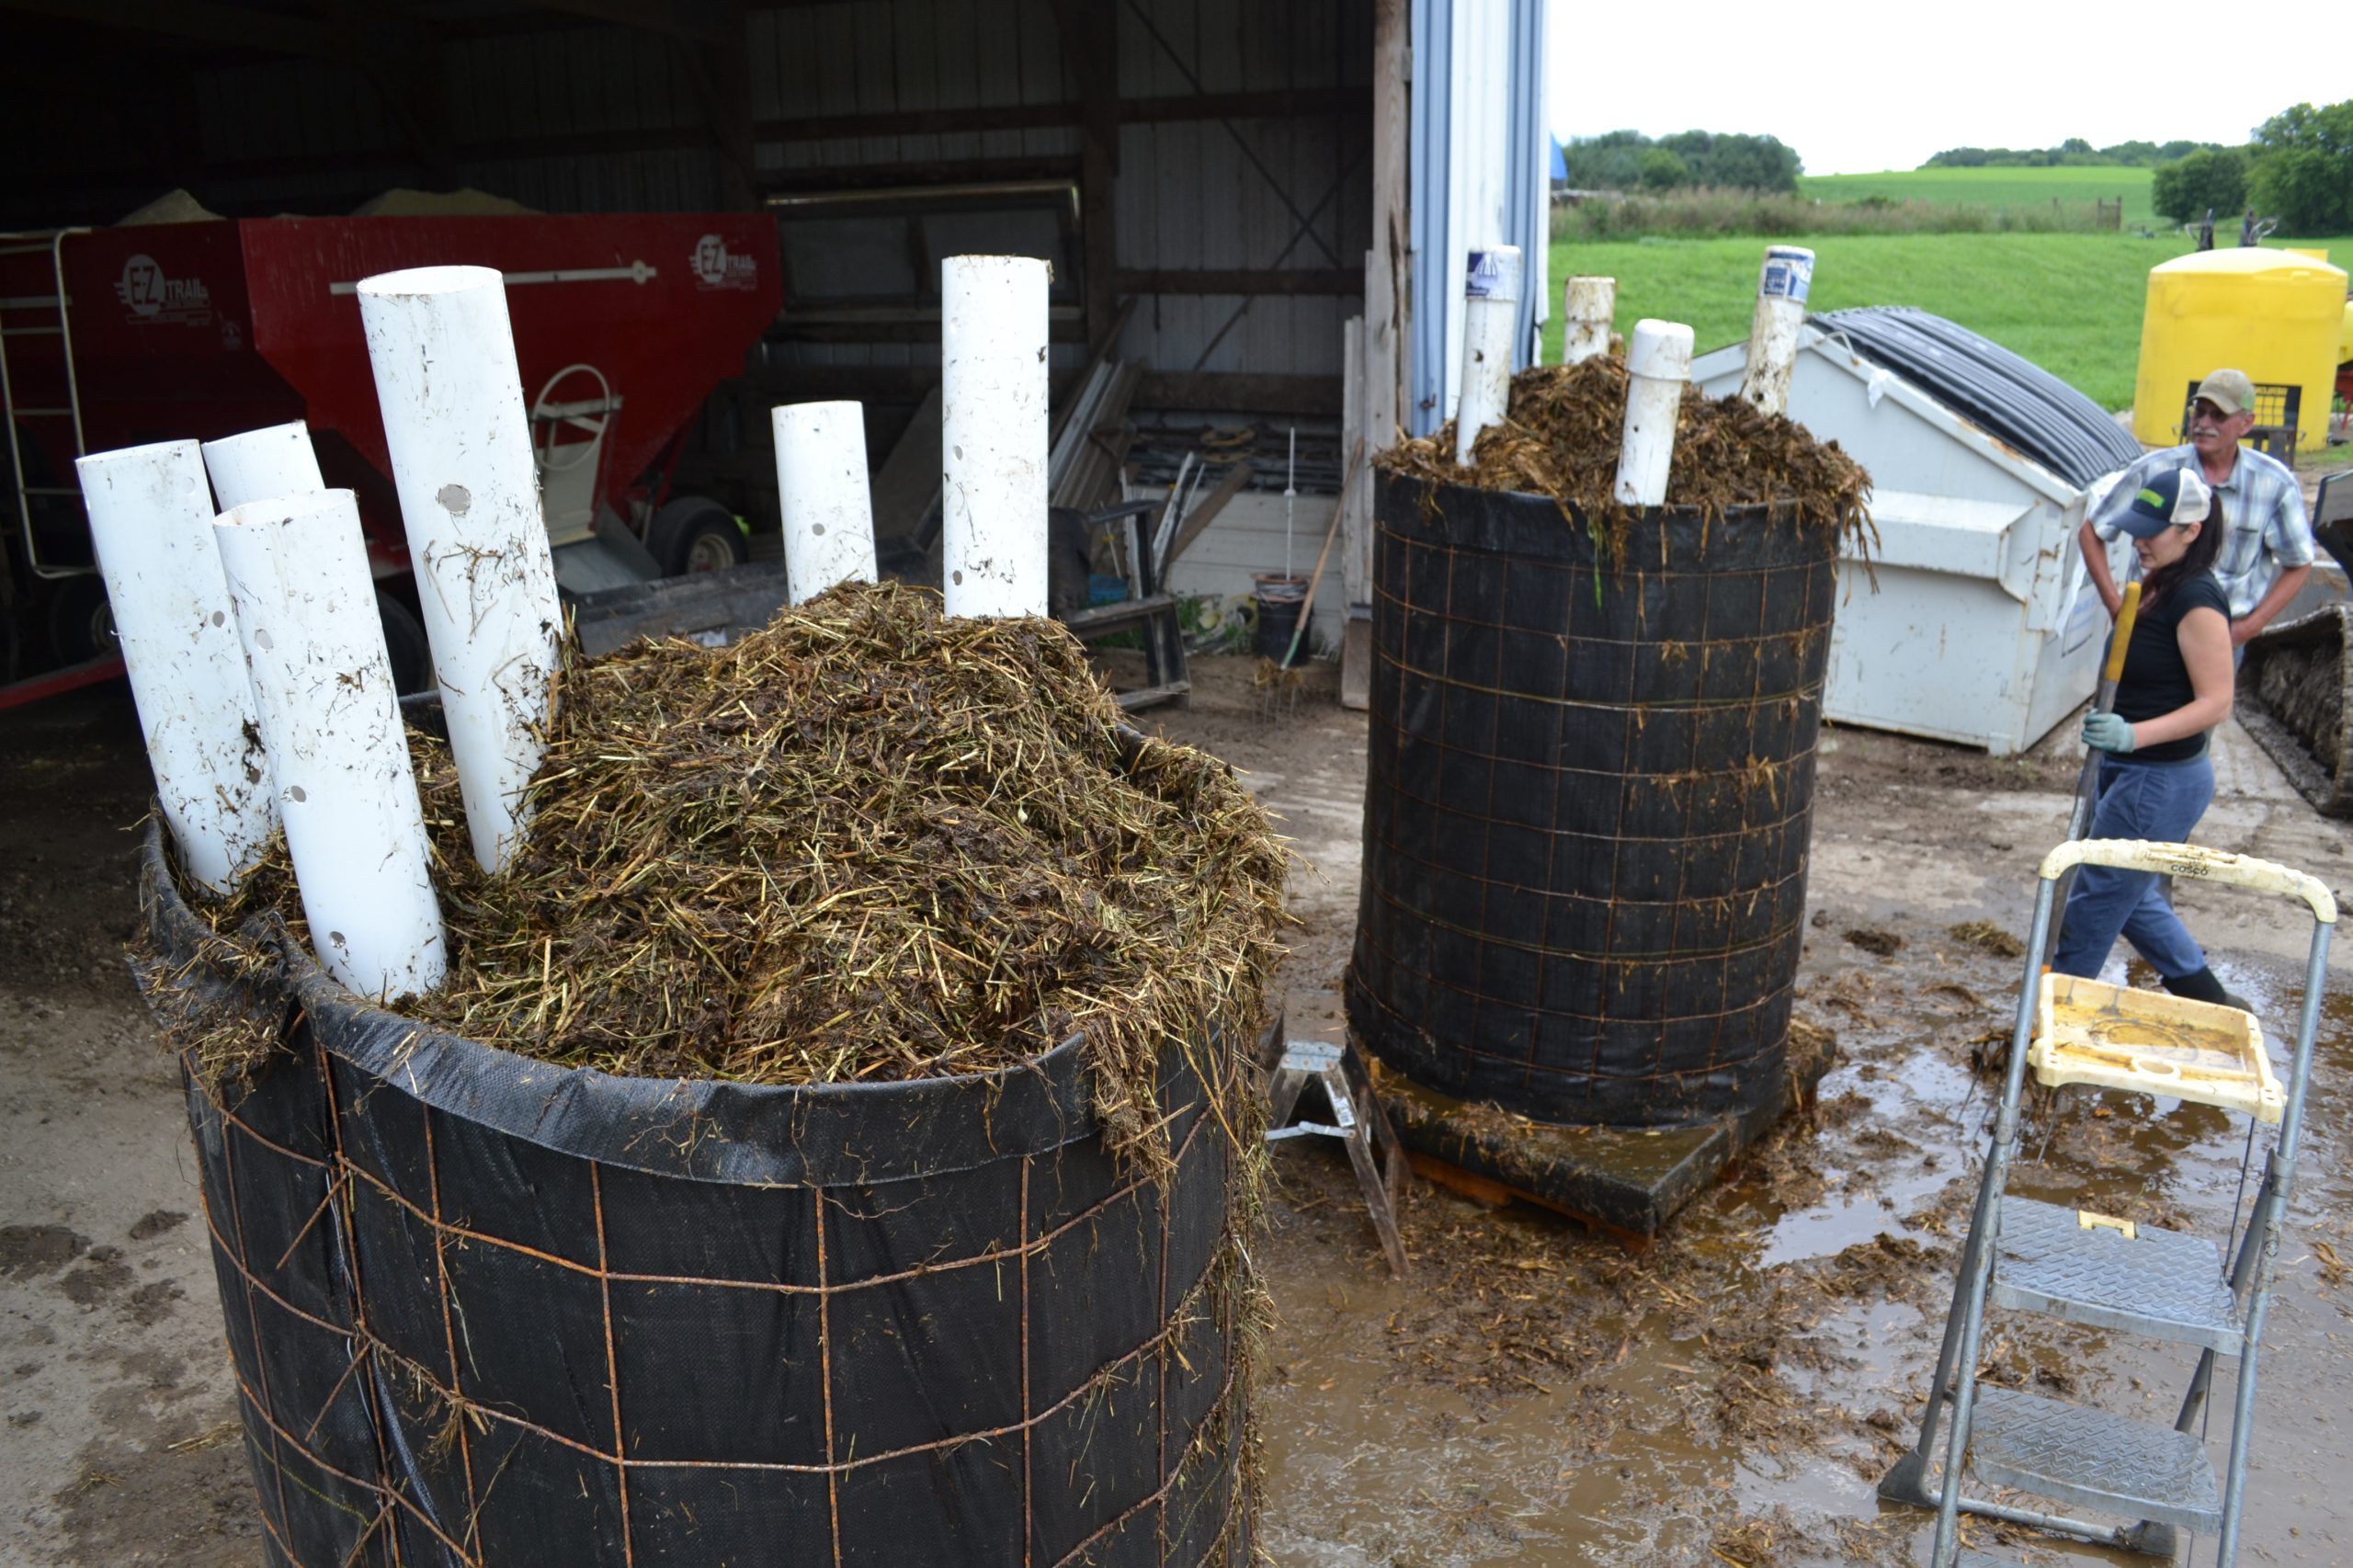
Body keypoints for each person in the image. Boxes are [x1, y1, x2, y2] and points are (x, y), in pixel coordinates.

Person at [2054, 468, 2244, 1007]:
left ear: (2191, 530)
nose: (2138, 541)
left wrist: (2131, 734)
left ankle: (2054, 1018)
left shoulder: (2197, 600)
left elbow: (2217, 702)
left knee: (2094, 902)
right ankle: (2212, 1001)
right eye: (2136, 528)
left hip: (2158, 782)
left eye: (2152, 532)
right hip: (2130, 770)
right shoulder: (2159, 584)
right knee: (2129, 894)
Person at [2077, 368, 2315, 659]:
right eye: (2199, 413)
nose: (2203, 424)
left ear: (2246, 423)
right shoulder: (2155, 469)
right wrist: (2117, 608)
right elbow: (2092, 531)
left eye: (2218, 416)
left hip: (2221, 638)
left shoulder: (2274, 484)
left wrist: (2248, 627)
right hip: (2148, 628)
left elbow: (2300, 561)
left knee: (2211, 691)